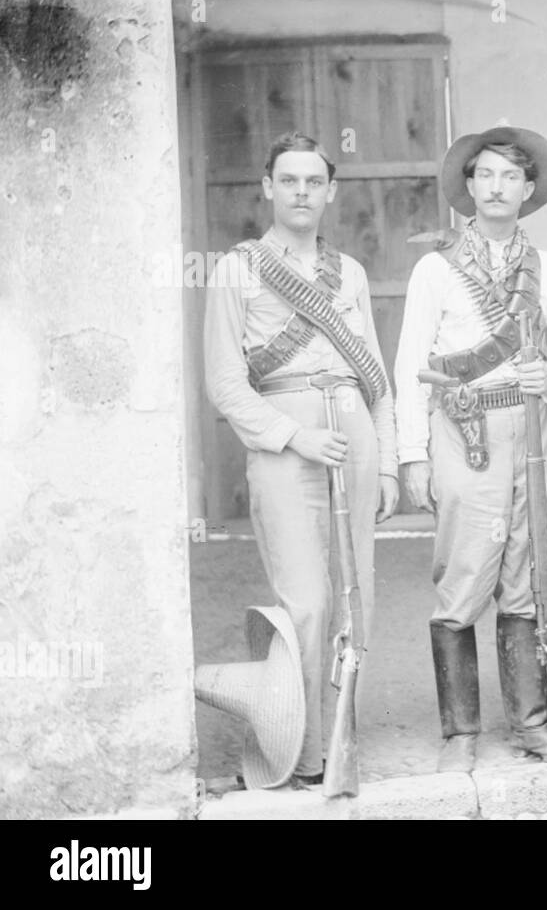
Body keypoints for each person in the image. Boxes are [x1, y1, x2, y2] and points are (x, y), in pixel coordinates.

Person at [393, 126, 547, 773]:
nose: (497, 186)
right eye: (486, 175)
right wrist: (413, 452)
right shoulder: (436, 268)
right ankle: (461, 731)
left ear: (529, 190)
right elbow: (408, 364)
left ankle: (533, 721)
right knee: (462, 575)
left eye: (511, 176)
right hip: (465, 430)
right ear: (469, 188)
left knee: (529, 577)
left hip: (535, 430)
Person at [205, 130, 398, 785]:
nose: (301, 192)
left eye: (313, 181)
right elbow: (226, 385)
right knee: (308, 600)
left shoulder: (351, 275)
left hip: (355, 440)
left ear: (330, 192)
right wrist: (296, 436)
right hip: (286, 443)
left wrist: (391, 459)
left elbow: (375, 375)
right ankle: (302, 748)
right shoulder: (238, 268)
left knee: (355, 598)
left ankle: (341, 741)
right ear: (267, 187)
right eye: (288, 180)